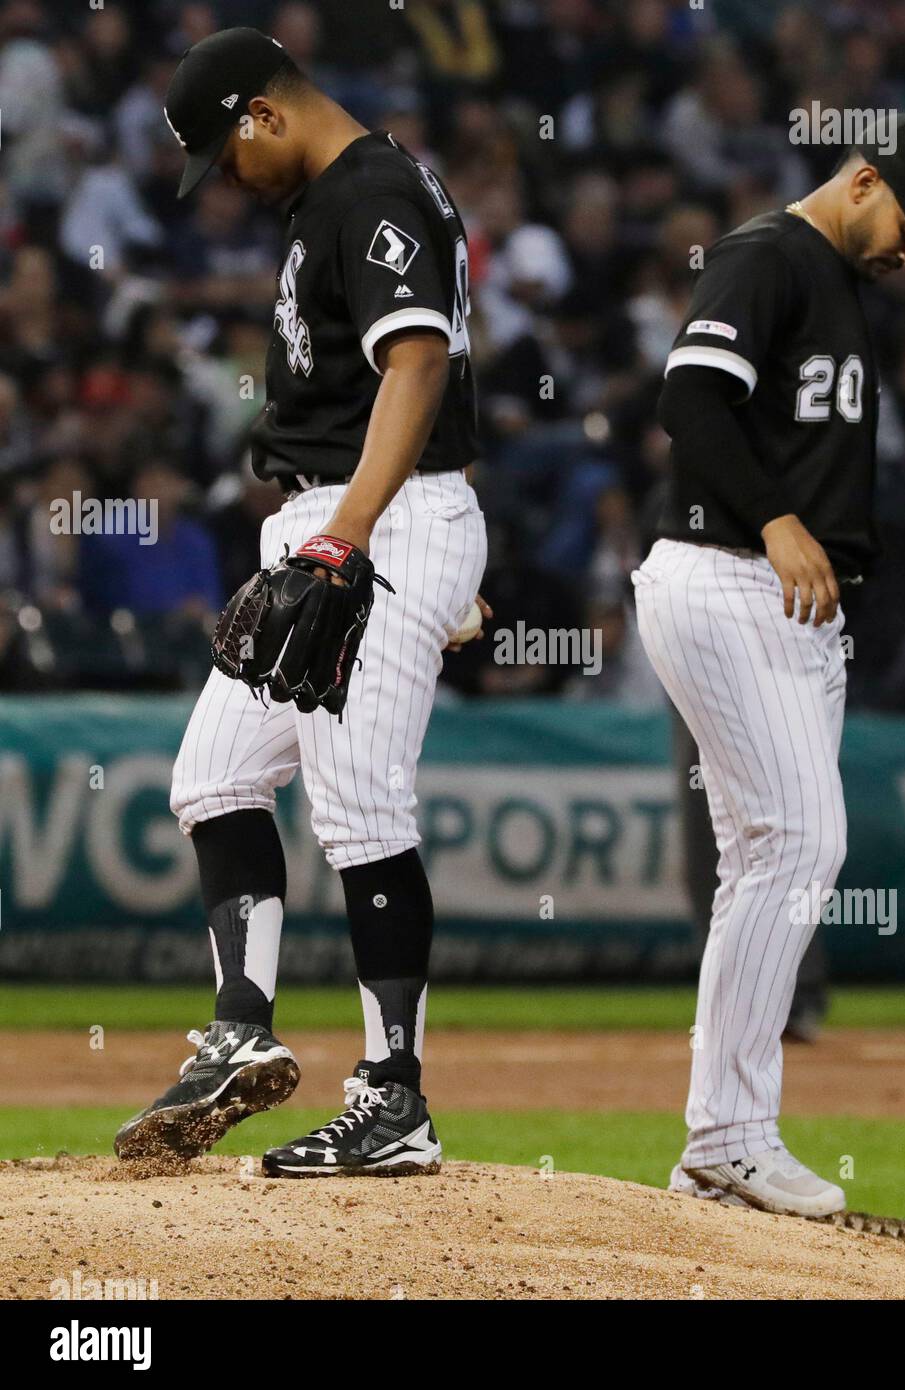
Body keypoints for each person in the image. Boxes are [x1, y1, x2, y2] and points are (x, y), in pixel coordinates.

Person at [114, 28, 488, 1177]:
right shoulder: (346, 188)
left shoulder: (367, 188)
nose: (225, 180)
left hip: (373, 519)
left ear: (263, 114)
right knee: (214, 777)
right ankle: (242, 1029)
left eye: (224, 153)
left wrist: (357, 538)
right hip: (341, 516)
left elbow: (418, 361)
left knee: (362, 810)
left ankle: (394, 1100)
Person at [633, 115, 905, 1216]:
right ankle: (731, 1134)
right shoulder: (769, 254)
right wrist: (778, 517)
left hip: (788, 601)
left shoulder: (834, 282)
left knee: (763, 858)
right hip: (729, 571)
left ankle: (719, 1146)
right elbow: (690, 394)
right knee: (802, 837)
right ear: (862, 178)